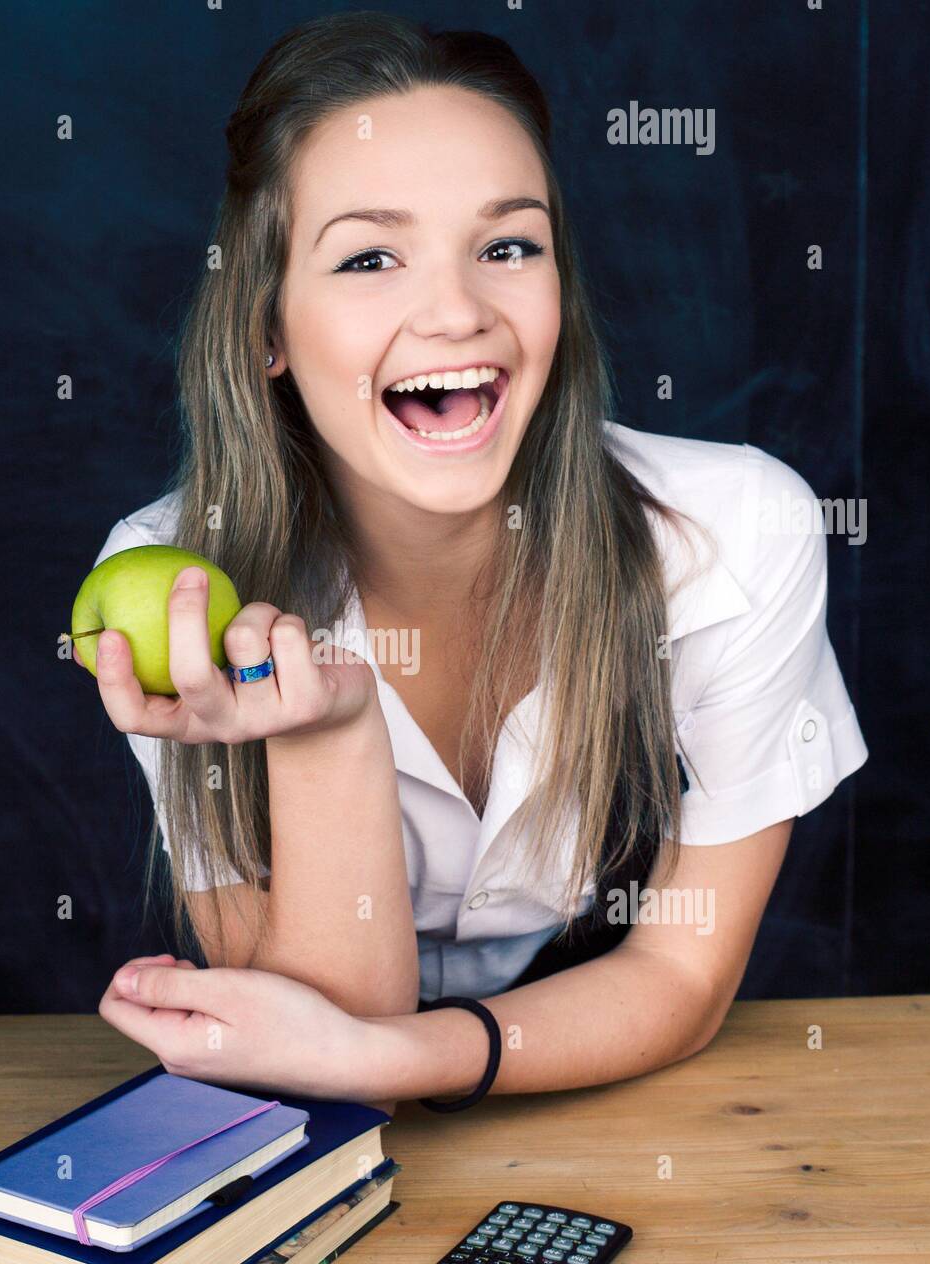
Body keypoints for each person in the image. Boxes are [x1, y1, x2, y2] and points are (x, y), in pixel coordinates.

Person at [84, 13, 867, 1108]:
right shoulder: (173, 581)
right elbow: (325, 1070)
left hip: (633, 1099)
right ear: (267, 323)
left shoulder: (736, 533)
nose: (456, 312)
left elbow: (681, 975)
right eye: (368, 257)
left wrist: (408, 1058)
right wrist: (328, 732)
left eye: (507, 246)